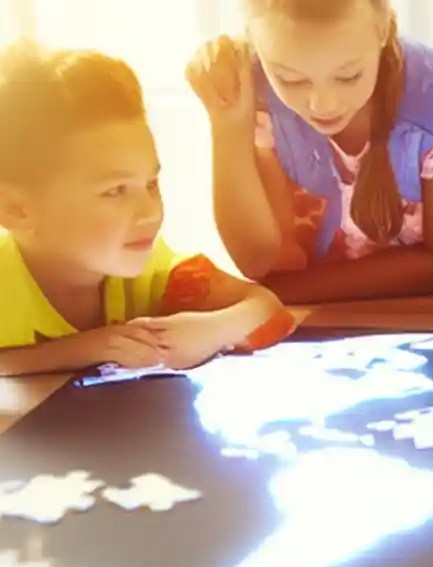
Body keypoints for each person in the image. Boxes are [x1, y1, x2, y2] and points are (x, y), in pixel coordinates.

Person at [188, 0, 433, 304]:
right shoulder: (252, 90)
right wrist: (227, 122)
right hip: (318, 324)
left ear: (384, 29)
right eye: (291, 80)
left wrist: (279, 294)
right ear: (253, 42)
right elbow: (257, 260)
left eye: (348, 76)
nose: (323, 104)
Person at [0, 41, 292, 378]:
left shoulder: (153, 271)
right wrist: (81, 349)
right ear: (17, 210)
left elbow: (267, 308)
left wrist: (211, 330)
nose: (150, 213)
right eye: (115, 191)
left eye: (151, 184)